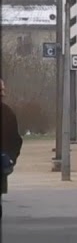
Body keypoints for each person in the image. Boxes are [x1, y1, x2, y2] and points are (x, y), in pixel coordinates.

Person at [1, 78, 23, 207]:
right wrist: (10, 159)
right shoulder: (7, 112)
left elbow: (16, 140)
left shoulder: (7, 113)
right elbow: (16, 141)